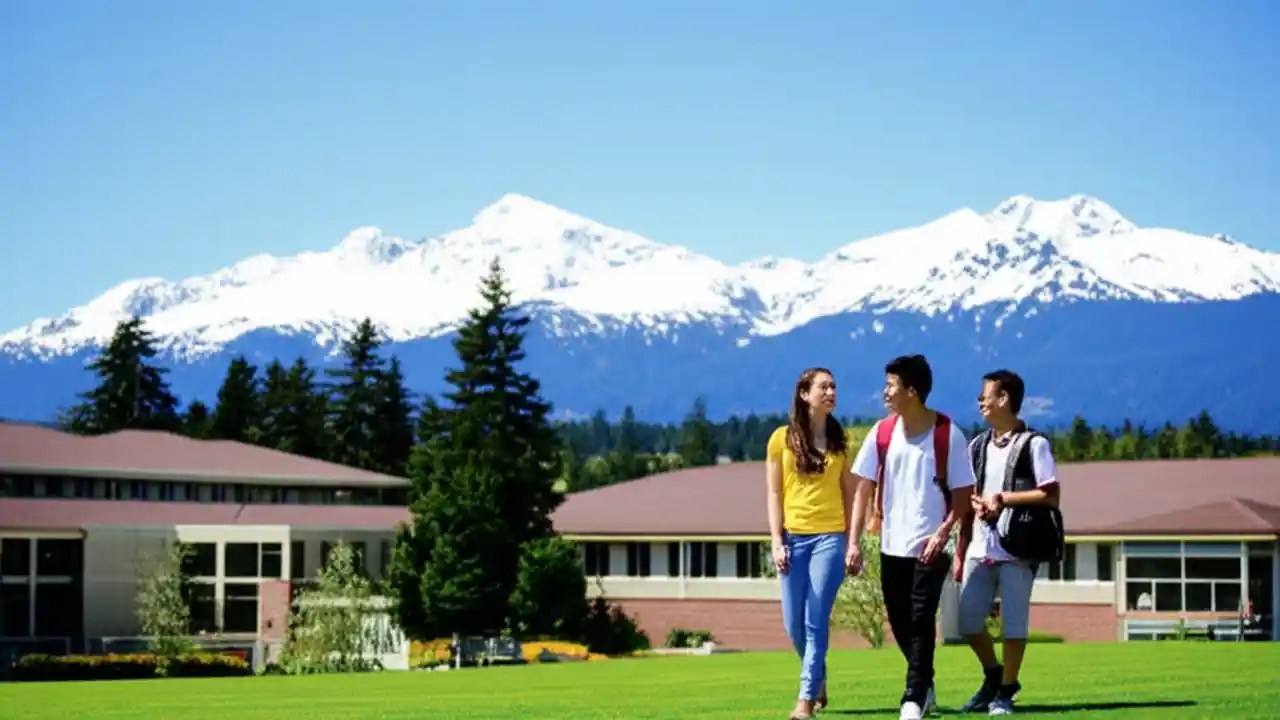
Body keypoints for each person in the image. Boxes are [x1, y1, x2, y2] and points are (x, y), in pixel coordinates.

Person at [846, 354, 976, 720]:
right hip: (892, 543)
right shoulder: (882, 432)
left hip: (931, 543)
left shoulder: (948, 434)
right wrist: (854, 541)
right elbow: (863, 488)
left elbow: (962, 495)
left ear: (913, 391)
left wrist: (944, 532)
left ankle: (913, 697)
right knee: (900, 619)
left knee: (921, 618)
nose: (885, 391)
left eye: (891, 385)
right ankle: (926, 681)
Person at [956, 369, 1061, 716]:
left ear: (1004, 398)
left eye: (986, 394)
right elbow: (969, 495)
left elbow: (1051, 495)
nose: (980, 400)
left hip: (1018, 547)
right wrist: (961, 546)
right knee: (968, 622)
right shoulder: (978, 445)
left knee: (1014, 623)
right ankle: (993, 673)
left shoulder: (1035, 443)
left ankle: (1006, 691)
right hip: (980, 546)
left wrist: (1003, 499)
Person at [766, 367, 860, 720]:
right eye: (823, 387)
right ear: (804, 393)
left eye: (834, 386)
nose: (831, 392)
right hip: (792, 538)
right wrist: (776, 540)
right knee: (793, 624)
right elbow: (774, 493)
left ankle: (805, 701)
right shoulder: (779, 439)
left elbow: (849, 495)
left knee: (815, 619)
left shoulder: (840, 442)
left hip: (830, 538)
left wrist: (853, 542)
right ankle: (818, 678)